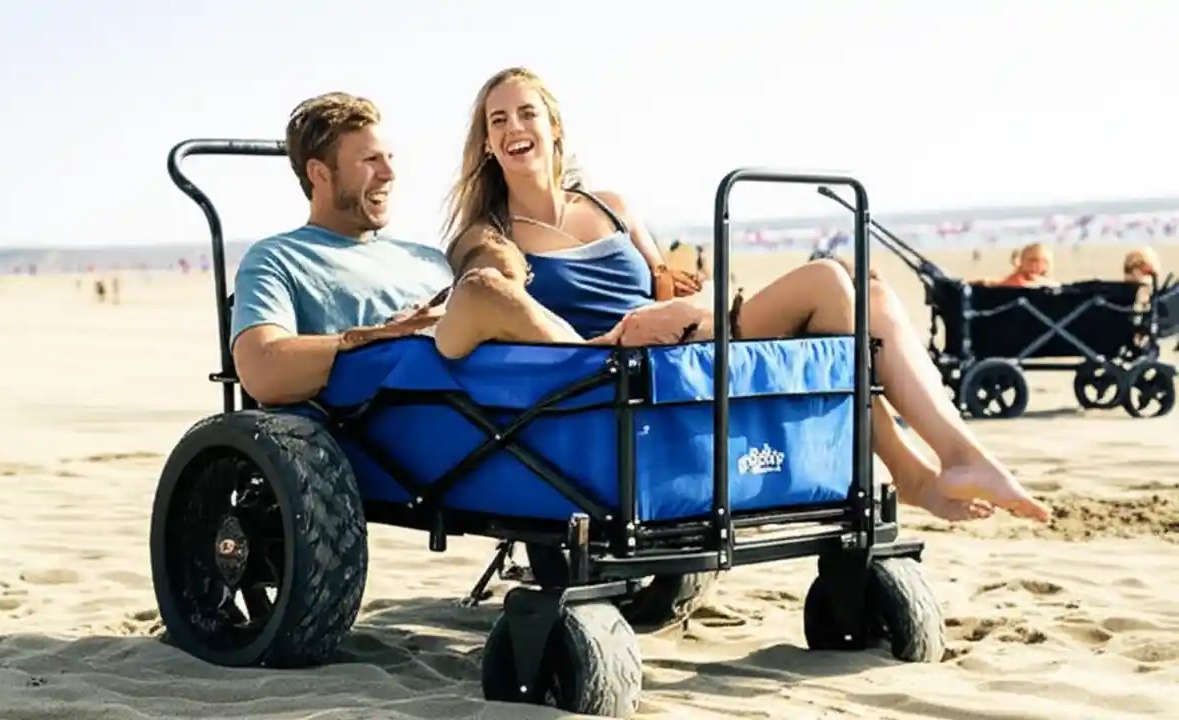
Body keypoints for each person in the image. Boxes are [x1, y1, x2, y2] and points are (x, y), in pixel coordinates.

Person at [433, 66, 1049, 525]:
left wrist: (684, 305)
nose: (514, 127)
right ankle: (929, 467)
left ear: (553, 126)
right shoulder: (490, 234)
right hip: (614, 370)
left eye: (526, 113)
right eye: (498, 120)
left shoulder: (611, 206)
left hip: (684, 340)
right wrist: (612, 336)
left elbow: (679, 288)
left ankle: (933, 466)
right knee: (831, 283)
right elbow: (505, 312)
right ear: (487, 144)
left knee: (874, 298)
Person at [229, 92, 454, 406]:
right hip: (385, 425)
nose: (389, 173)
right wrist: (378, 337)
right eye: (371, 160)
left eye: (389, 158)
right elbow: (262, 369)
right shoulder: (278, 258)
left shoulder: (430, 259)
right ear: (320, 174)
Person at [976, 242, 1057, 288]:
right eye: (1030, 261)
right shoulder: (1018, 278)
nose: (1033, 265)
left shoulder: (1049, 282)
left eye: (1036, 261)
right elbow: (1004, 283)